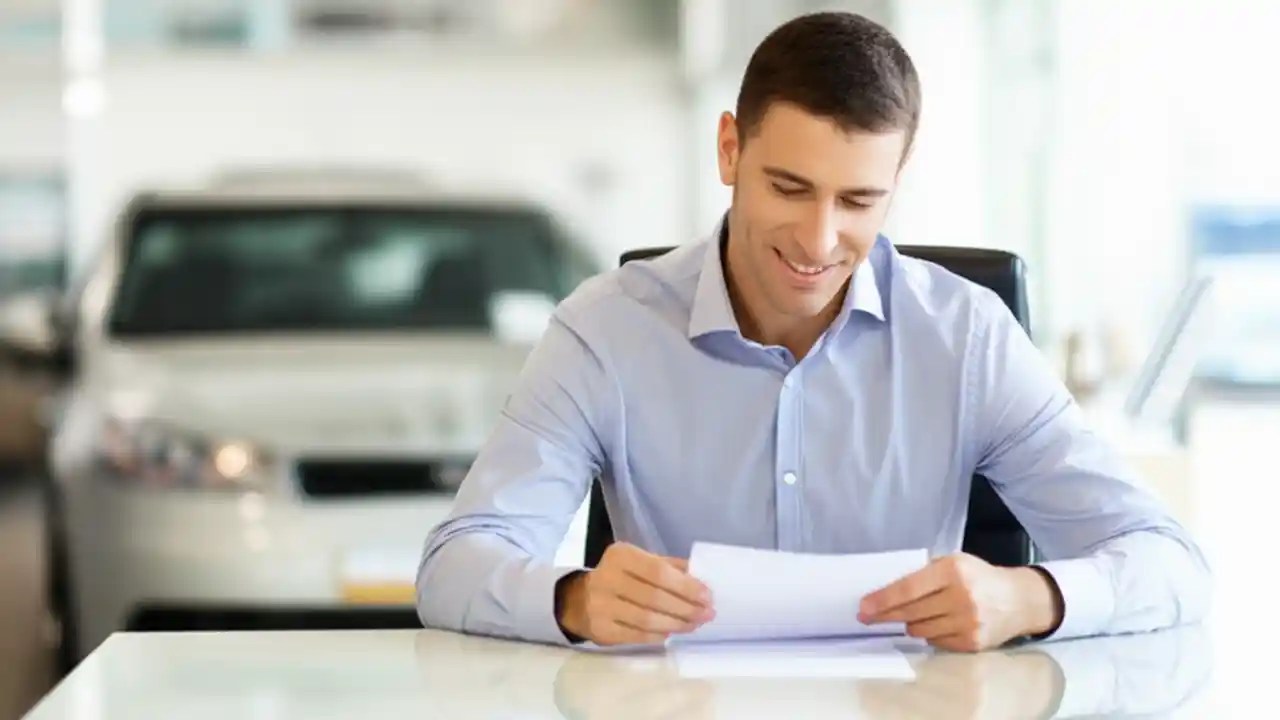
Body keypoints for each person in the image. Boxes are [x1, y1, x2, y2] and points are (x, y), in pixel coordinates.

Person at [416, 11, 1210, 652]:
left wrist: (1029, 594)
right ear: (730, 149)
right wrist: (575, 598)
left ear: (897, 182)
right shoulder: (604, 330)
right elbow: (454, 565)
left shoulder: (966, 338)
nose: (819, 240)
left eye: (858, 201)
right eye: (789, 188)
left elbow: (1170, 562)